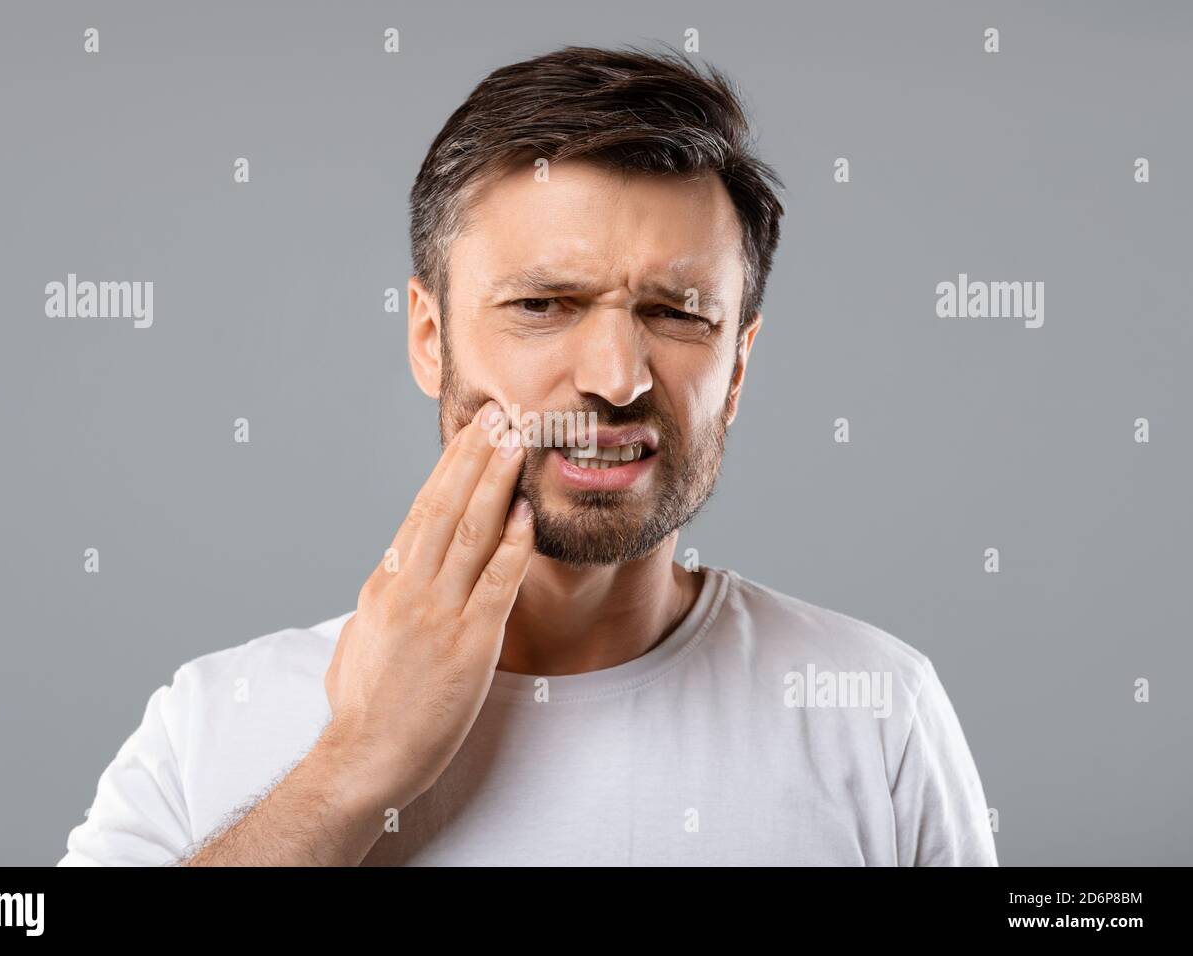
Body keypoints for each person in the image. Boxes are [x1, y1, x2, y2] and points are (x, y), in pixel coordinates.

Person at [58, 45, 997, 866]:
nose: (616, 378)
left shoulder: (878, 714)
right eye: (542, 305)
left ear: (738, 366)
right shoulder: (216, 720)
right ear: (431, 338)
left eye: (677, 314)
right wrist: (353, 769)